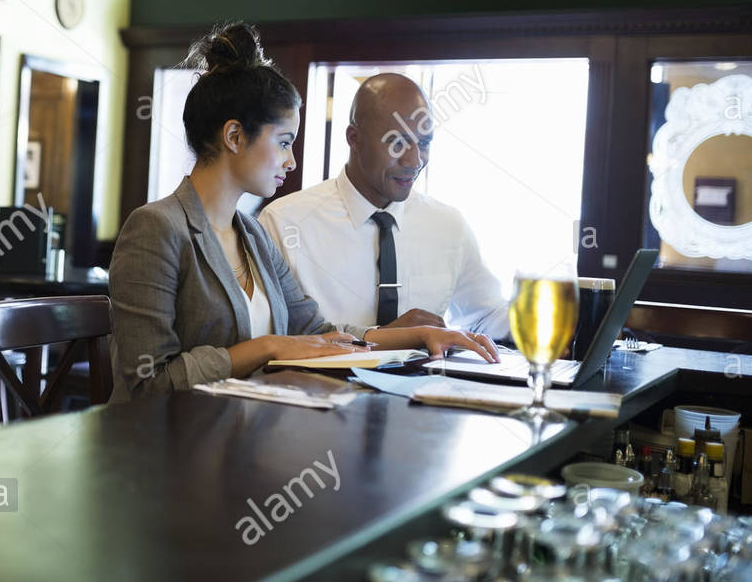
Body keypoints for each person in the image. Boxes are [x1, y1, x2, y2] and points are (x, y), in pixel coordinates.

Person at [108, 25, 498, 402]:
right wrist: (269, 346)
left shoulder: (251, 235)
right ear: (234, 136)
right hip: (164, 448)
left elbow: (317, 331)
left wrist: (419, 336)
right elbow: (148, 383)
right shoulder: (156, 228)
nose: (292, 161)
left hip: (238, 437)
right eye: (283, 142)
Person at [259, 72, 510, 345]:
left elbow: (487, 316)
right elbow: (270, 338)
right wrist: (383, 337)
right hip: (318, 386)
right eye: (398, 142)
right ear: (354, 139)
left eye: (424, 143)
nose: (415, 161)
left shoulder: (449, 226)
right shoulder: (283, 223)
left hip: (426, 386)